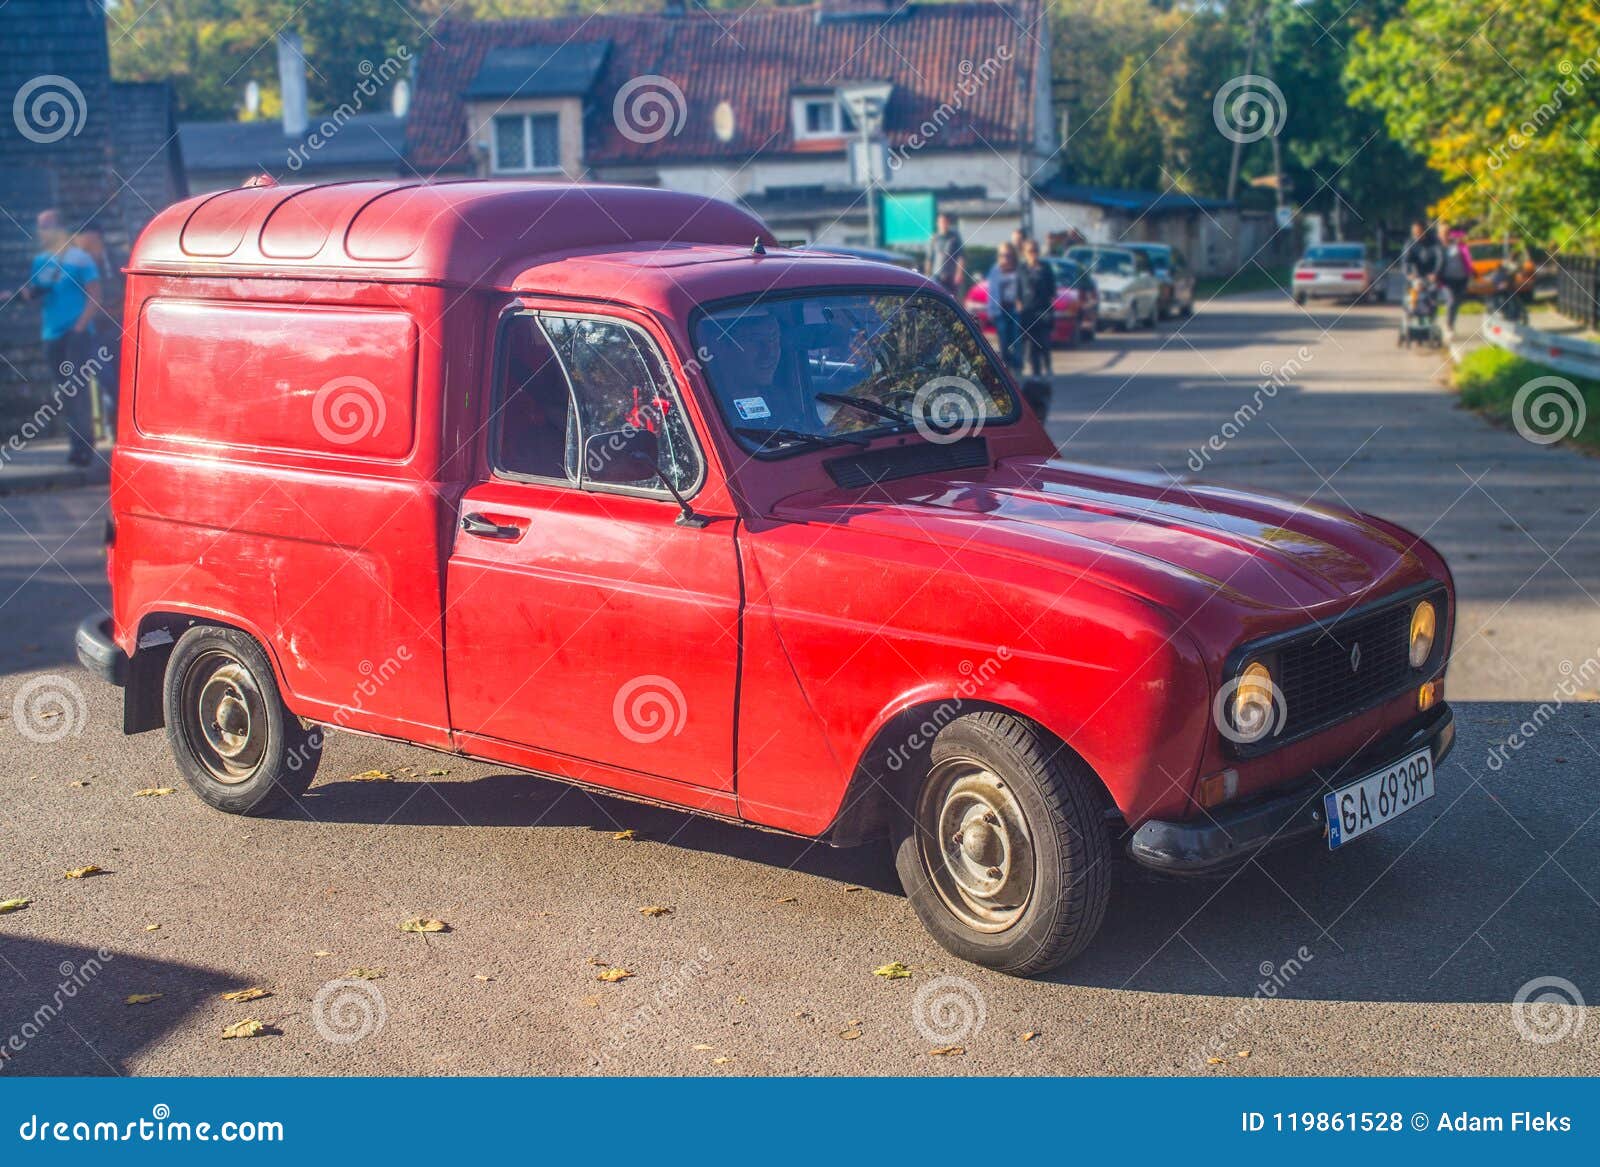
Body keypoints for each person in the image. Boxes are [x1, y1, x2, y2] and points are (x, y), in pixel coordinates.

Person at [18, 209, 101, 466]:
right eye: (40, 226)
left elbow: (95, 296)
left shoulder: (80, 259)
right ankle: (76, 442)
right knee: (64, 392)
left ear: (60, 228)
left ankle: (84, 446)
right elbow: (40, 295)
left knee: (77, 389)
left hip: (75, 333)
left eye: (47, 226)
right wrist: (27, 295)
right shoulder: (40, 261)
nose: (42, 232)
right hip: (50, 334)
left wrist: (79, 327)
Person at [72, 221, 119, 443]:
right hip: (95, 331)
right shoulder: (79, 266)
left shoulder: (117, 259)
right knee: (107, 379)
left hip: (120, 328)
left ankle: (118, 430)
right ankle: (112, 428)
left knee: (121, 380)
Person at [1016, 239, 1057, 378]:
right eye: (1029, 251)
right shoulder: (1021, 269)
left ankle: (1048, 364)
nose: (1032, 254)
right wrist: (1019, 305)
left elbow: (1052, 289)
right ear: (1025, 253)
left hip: (1043, 309)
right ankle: (1036, 371)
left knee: (1044, 341)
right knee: (1033, 343)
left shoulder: (1045, 268)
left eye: (1035, 251)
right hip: (1028, 310)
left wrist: (1051, 303)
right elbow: (1018, 289)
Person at [985, 243, 1023, 371]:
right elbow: (991, 292)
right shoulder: (995, 270)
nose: (1005, 258)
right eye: (1002, 255)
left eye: (1008, 255)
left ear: (1013, 255)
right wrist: (991, 310)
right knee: (1004, 340)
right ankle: (1007, 365)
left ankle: (1018, 368)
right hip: (1000, 310)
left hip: (1015, 309)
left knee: (1017, 339)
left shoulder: (1019, 269)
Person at [1438, 227, 1474, 338]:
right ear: (1439, 235)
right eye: (1443, 233)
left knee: (1456, 302)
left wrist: (1470, 272)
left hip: (1461, 278)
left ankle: (1451, 324)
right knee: (1452, 300)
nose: (1446, 235)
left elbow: (1467, 257)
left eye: (1447, 233)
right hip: (1446, 280)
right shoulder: (1438, 247)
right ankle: (1449, 326)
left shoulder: (1459, 245)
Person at [926, 213, 966, 295]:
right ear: (937, 223)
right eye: (941, 222)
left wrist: (959, 273)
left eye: (945, 222)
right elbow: (929, 258)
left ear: (948, 223)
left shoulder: (955, 238)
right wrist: (927, 275)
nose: (943, 224)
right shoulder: (934, 239)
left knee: (952, 298)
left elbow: (961, 256)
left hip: (951, 276)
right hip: (937, 276)